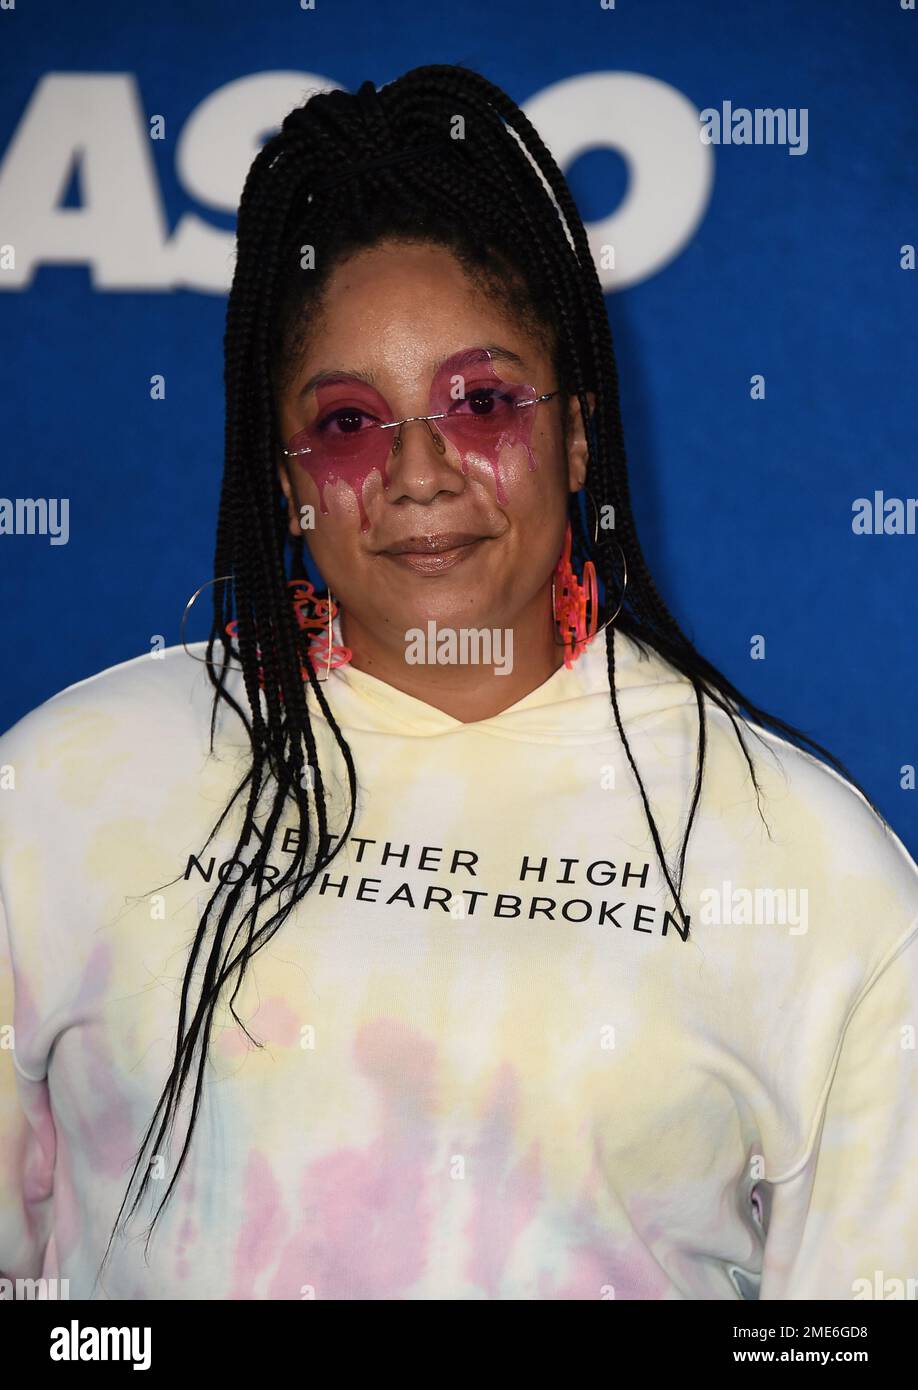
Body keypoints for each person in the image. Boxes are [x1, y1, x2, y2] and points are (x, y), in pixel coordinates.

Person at [1, 65, 916, 1302]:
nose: (419, 470)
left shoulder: (809, 863)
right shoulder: (57, 795)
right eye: (346, 423)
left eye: (480, 402)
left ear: (577, 432)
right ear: (282, 473)